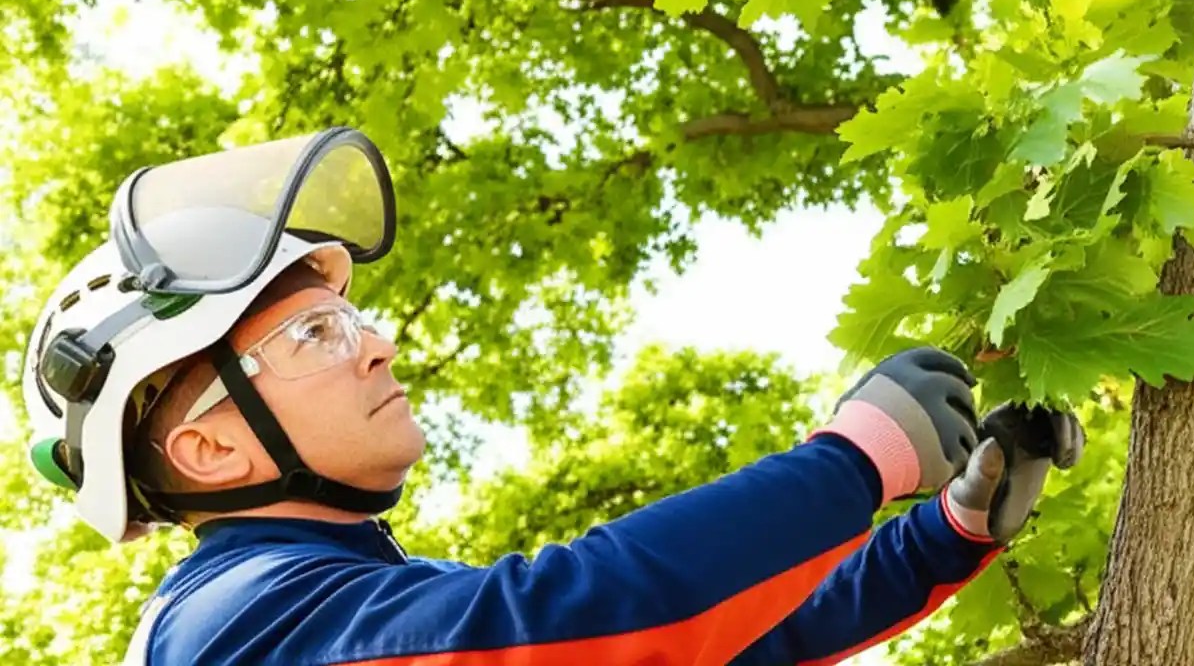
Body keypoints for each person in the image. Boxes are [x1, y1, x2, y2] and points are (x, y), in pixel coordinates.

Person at [21, 129, 1084, 666]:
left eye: (352, 318)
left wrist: (945, 531)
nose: (378, 348)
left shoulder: (359, 602)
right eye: (315, 334)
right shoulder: (222, 627)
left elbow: (723, 643)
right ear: (211, 452)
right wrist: (849, 464)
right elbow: (556, 622)